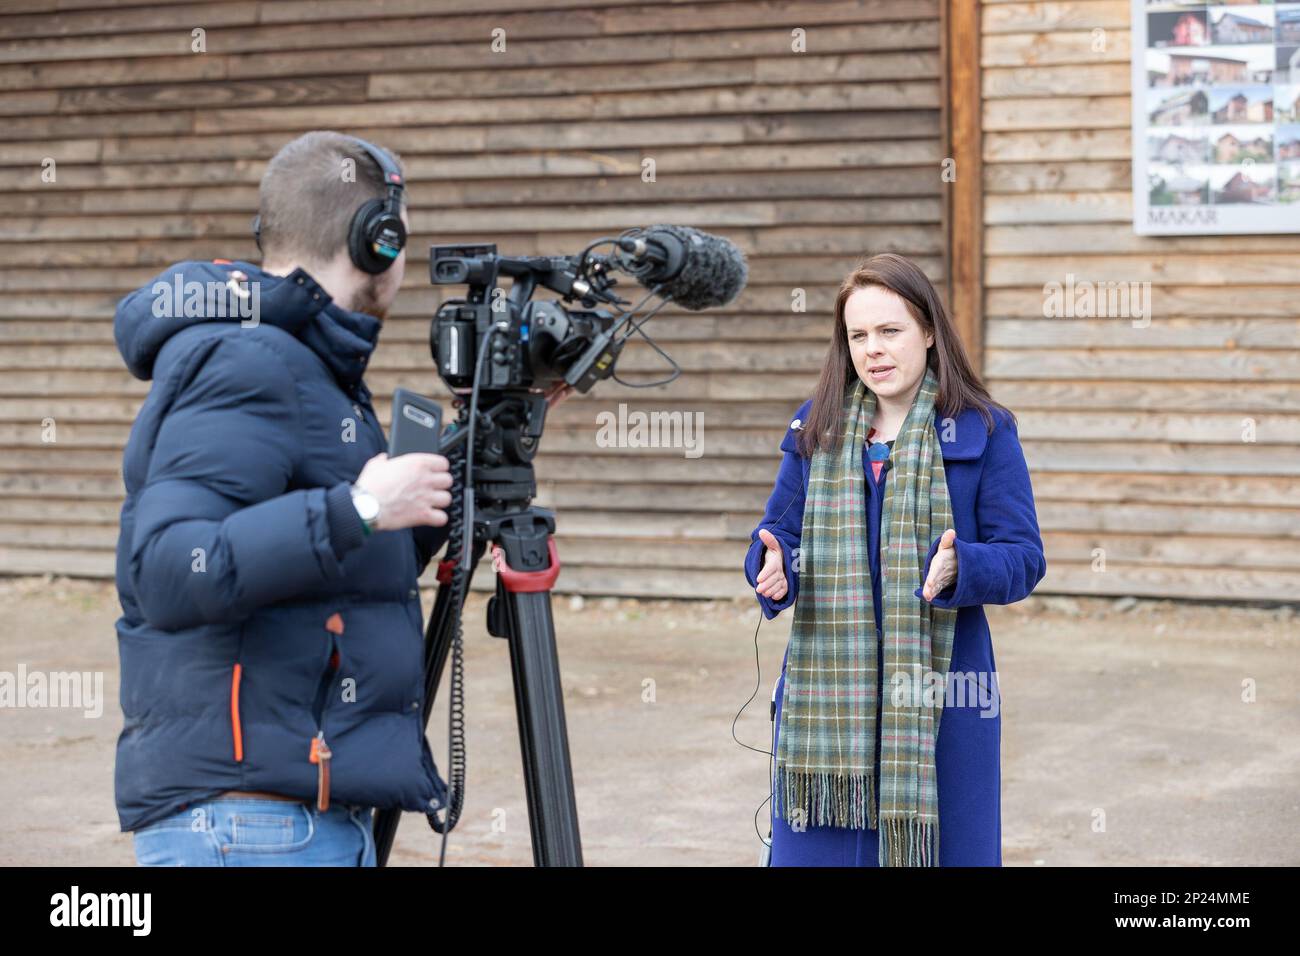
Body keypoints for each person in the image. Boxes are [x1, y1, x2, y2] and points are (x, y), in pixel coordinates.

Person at [113, 130, 569, 866]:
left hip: (295, 813)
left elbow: (342, 567)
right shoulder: (246, 359)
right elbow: (168, 569)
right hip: (252, 825)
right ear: (375, 241)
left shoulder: (306, 367)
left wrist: (476, 448)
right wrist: (356, 507)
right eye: (400, 242)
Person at [743, 253, 1047, 866]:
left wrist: (965, 570)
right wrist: (773, 570)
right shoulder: (818, 431)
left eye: (890, 331)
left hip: (942, 688)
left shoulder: (984, 430)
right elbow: (780, 535)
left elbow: (1023, 557)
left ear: (929, 332)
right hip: (829, 697)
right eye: (858, 335)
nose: (873, 350)